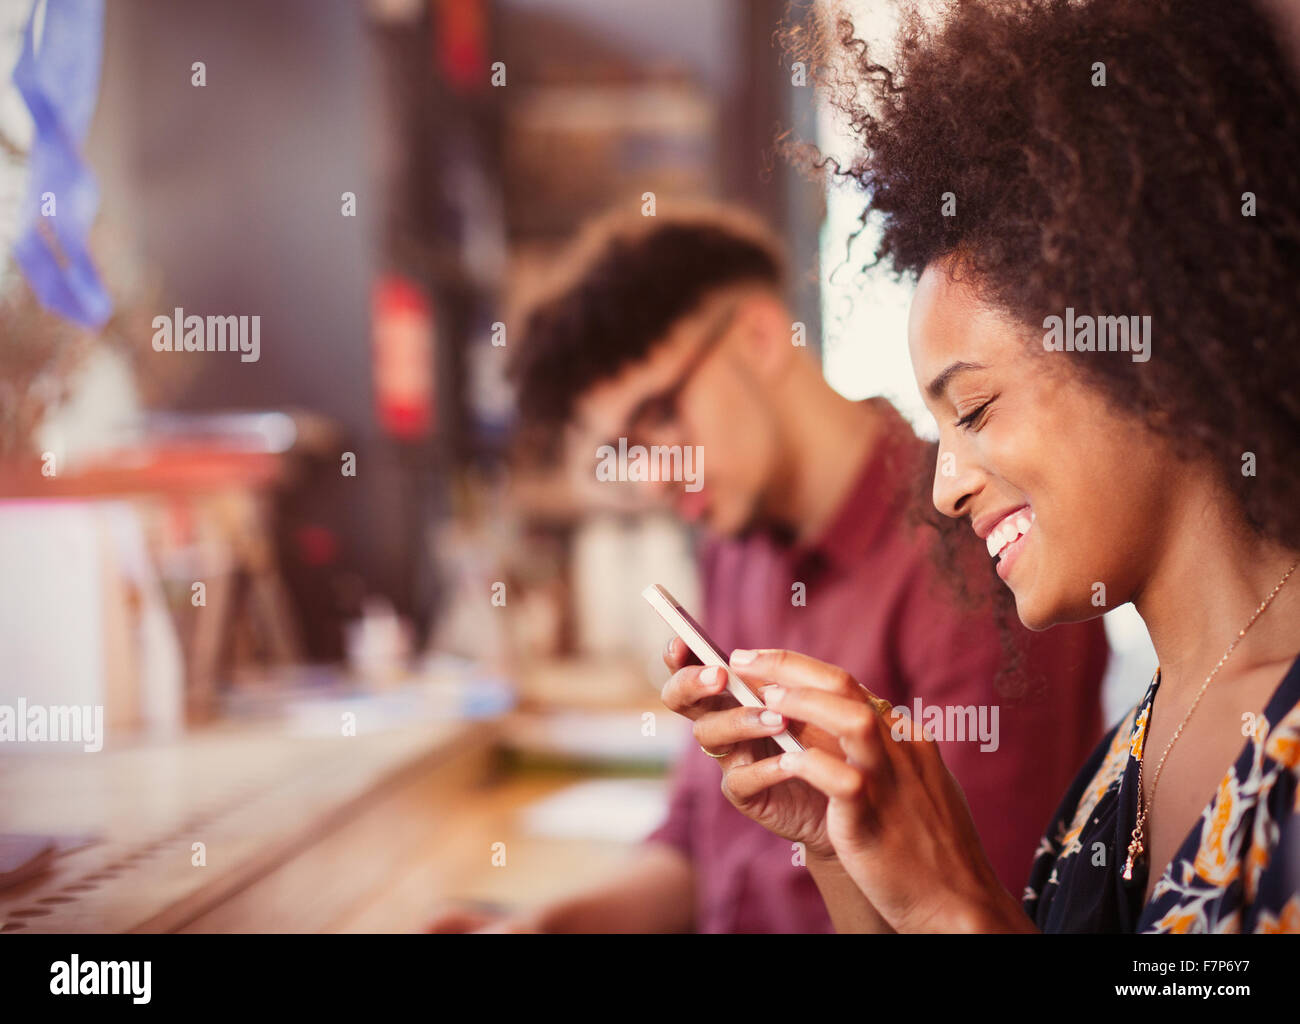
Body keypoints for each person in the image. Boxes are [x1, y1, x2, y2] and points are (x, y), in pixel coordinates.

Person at [659, 0, 1300, 932]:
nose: (945, 487)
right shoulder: (1130, 761)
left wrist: (955, 909)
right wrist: (843, 850)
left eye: (977, 410)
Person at [431, 205, 1109, 933]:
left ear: (759, 335)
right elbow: (694, 842)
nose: (655, 477)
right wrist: (545, 927)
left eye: (656, 418)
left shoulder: (976, 551)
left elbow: (990, 906)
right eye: (623, 453)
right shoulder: (734, 544)